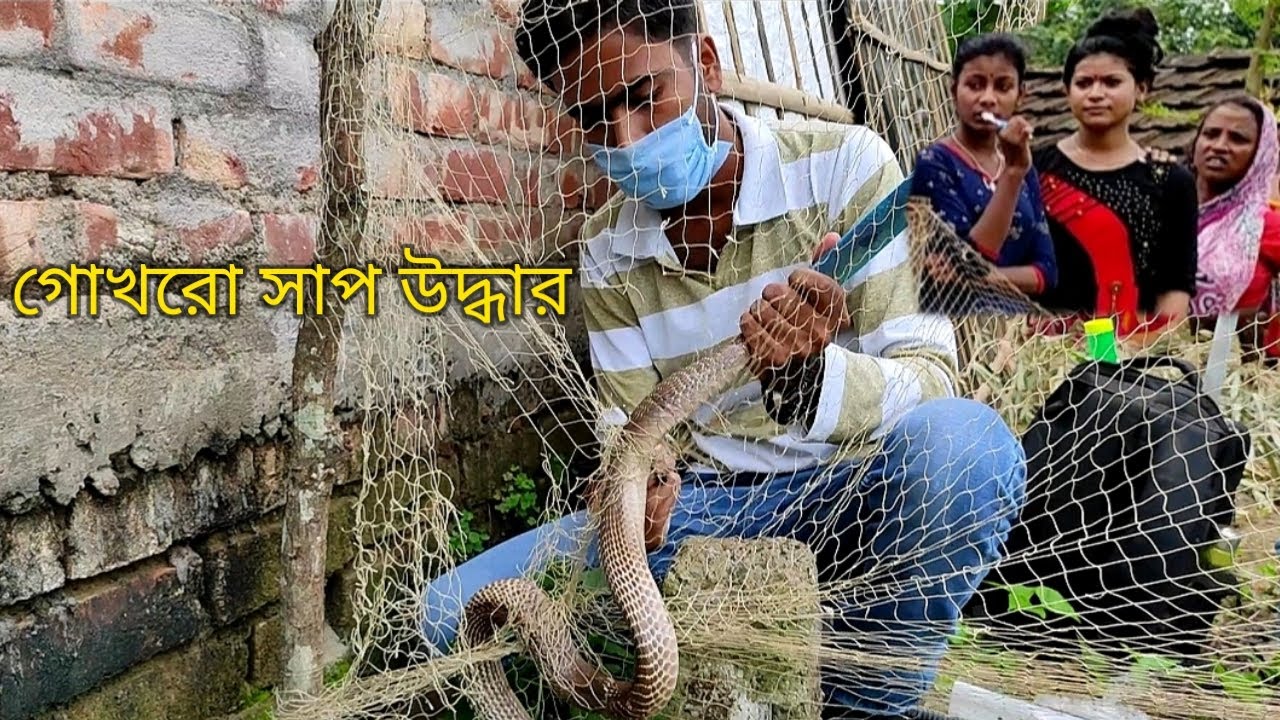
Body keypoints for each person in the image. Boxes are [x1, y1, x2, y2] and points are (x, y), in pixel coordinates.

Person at [418, 1, 1029, 718]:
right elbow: (632, 430)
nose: (625, 139)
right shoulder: (607, 248)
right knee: (442, 617)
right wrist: (642, 485)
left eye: (643, 96)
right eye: (593, 120)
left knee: (965, 447)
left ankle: (867, 703)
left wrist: (813, 381)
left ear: (705, 65)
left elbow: (930, 376)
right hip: (704, 508)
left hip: (852, 488)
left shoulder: (843, 166)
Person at [1032, 7, 1199, 338]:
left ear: (1142, 89)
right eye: (1084, 83)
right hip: (1041, 350)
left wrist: (1137, 353)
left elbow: (1175, 289)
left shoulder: (1170, 181)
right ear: (1067, 91)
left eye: (1111, 82)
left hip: (1133, 354)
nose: (1096, 94)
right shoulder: (1033, 169)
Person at [910, 32, 1057, 309]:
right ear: (954, 91)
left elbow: (1047, 272)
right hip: (959, 322)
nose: (988, 98)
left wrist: (986, 277)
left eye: (1003, 87)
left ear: (1020, 95)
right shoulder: (935, 163)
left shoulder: (1025, 169)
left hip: (1019, 322)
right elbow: (970, 262)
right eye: (975, 85)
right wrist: (1011, 175)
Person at [1187, 95, 1280, 363]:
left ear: (1262, 154)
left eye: (1238, 139)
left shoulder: (1266, 226)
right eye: (1211, 134)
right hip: (1139, 368)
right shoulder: (1159, 212)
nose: (1219, 146)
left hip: (1234, 378)